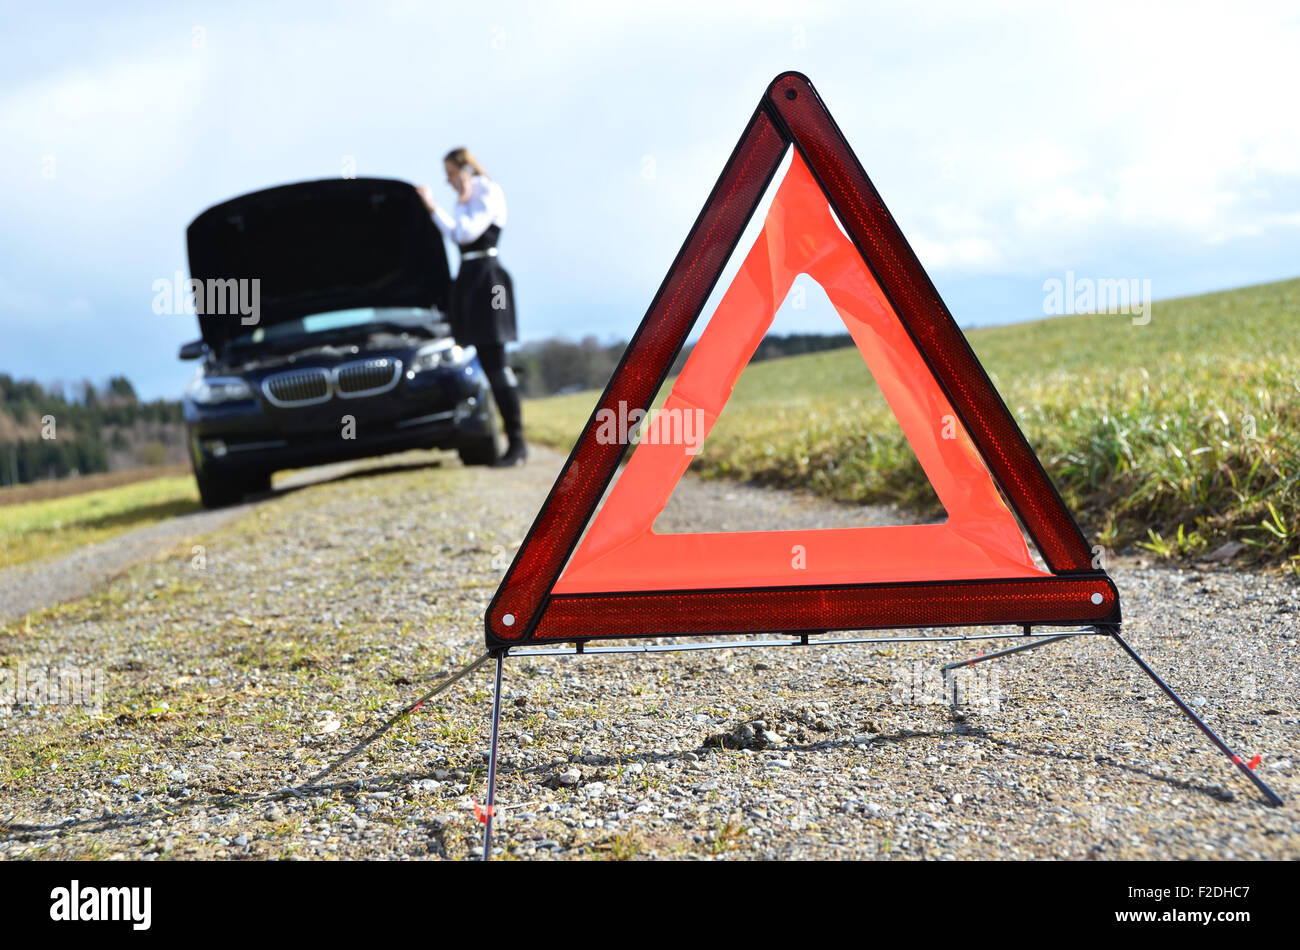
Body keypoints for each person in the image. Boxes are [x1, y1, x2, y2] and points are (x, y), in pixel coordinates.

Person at [417, 148, 526, 467]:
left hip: (489, 280)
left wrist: (438, 205)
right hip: (467, 279)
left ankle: (517, 444)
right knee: (480, 357)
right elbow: (453, 234)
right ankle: (495, 436)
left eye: (450, 173)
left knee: (496, 361)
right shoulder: (464, 198)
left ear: (464, 170)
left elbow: (466, 233)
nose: (448, 181)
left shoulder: (487, 191)